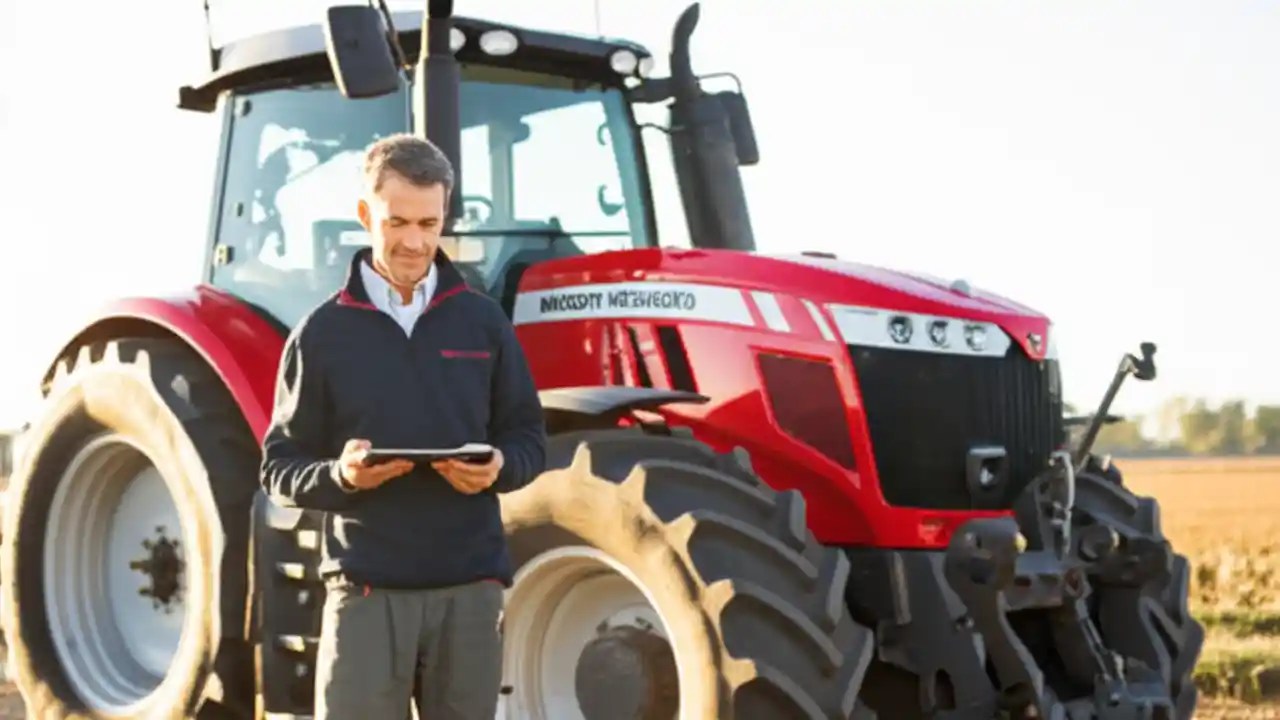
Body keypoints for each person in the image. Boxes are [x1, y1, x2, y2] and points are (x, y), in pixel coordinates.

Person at [259, 133, 547, 719]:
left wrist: (499, 468)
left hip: (469, 590)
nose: (415, 242)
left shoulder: (483, 323)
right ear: (366, 214)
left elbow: (527, 440)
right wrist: (342, 476)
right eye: (397, 222)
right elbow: (278, 468)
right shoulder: (321, 334)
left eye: (429, 223)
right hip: (367, 591)